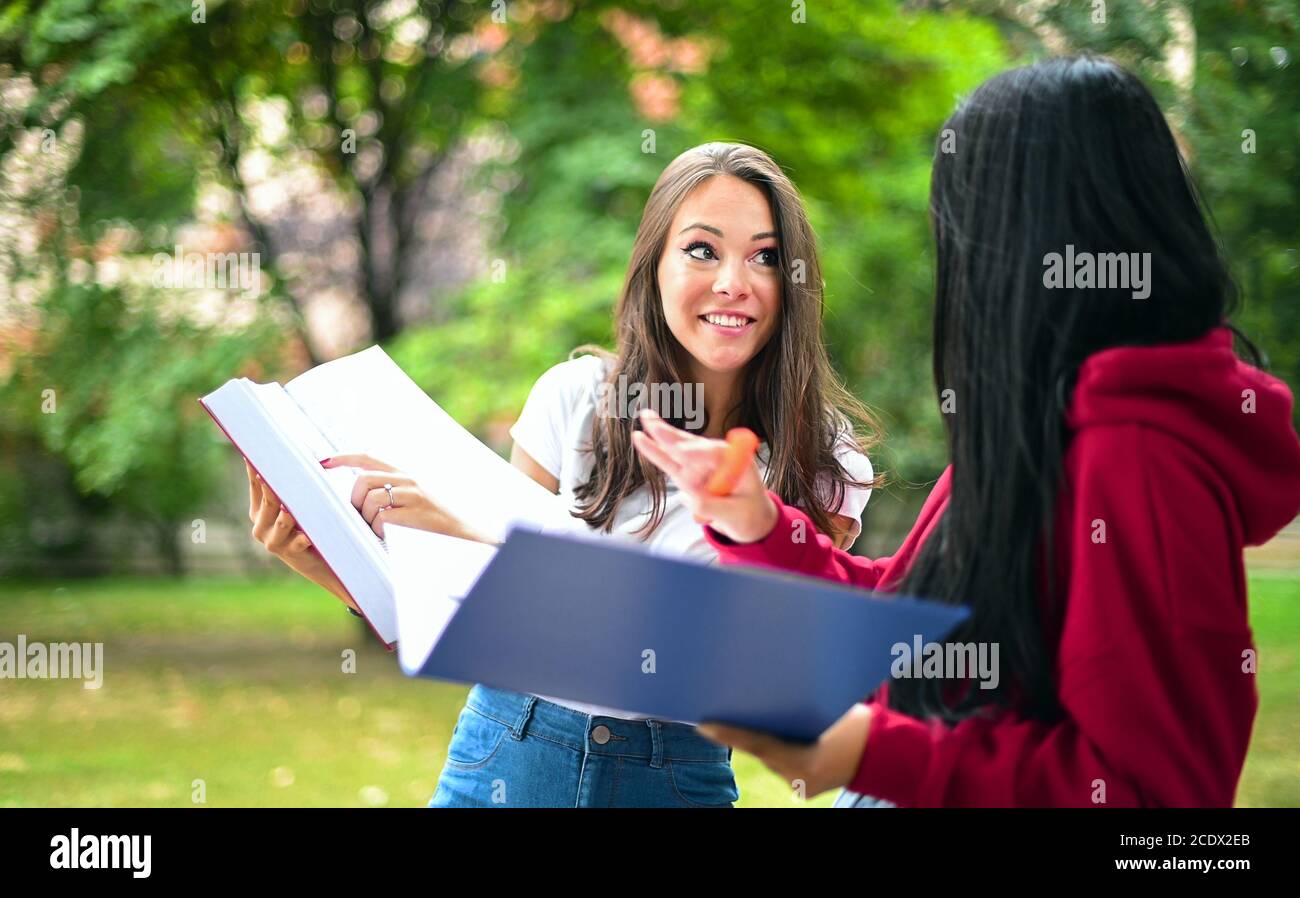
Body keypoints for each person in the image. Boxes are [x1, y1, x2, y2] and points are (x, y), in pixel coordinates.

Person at [631, 57, 1300, 807]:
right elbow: (930, 621)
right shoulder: (1051, 413)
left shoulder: (1138, 454)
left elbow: (1154, 800)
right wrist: (758, 526)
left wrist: (867, 751)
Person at [247, 142, 880, 807]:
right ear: (653, 267)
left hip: (670, 778)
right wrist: (336, 566)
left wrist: (477, 539)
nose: (732, 281)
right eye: (701, 249)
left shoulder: (820, 462)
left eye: (766, 256)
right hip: (505, 750)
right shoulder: (574, 398)